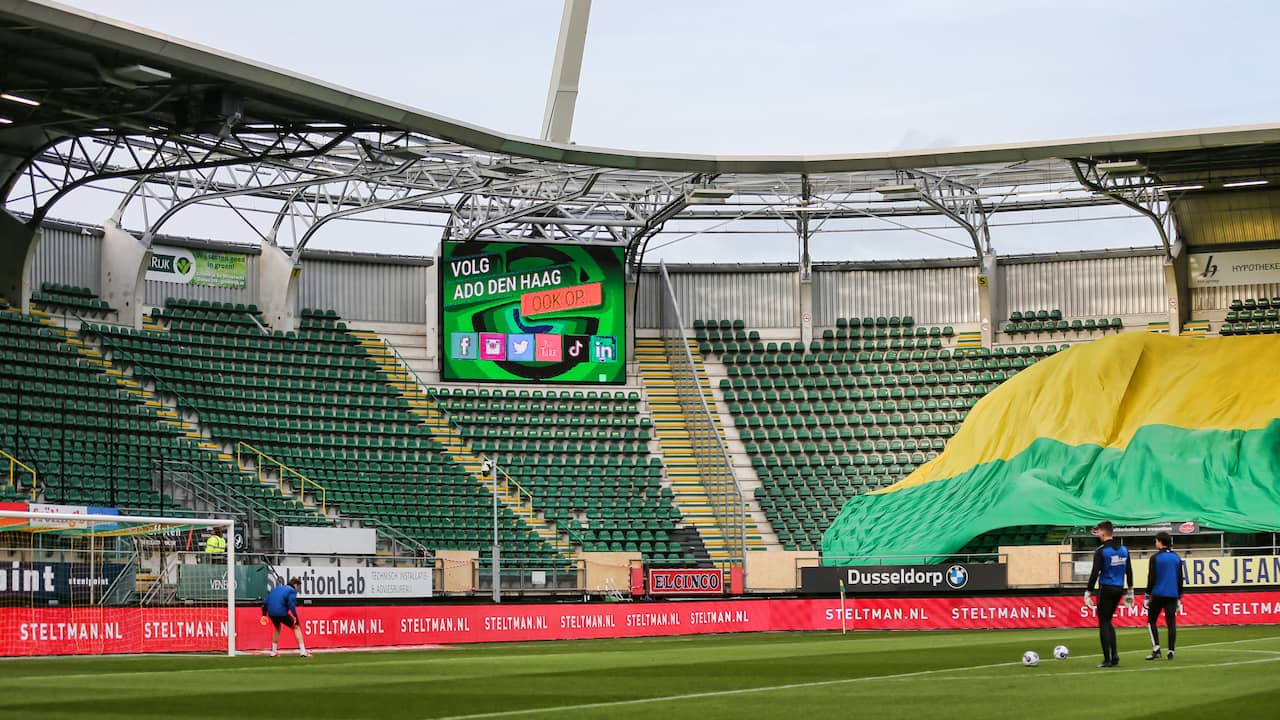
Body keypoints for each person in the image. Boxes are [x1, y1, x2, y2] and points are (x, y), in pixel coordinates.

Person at [1085, 520, 1133, 668]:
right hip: (1119, 589)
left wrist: (1088, 591)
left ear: (1104, 533)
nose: (1098, 533)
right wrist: (1130, 591)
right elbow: (1129, 571)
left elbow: (1095, 573)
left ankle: (1107, 659)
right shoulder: (1124, 549)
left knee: (1104, 623)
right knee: (1108, 621)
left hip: (1106, 588)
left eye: (1099, 531)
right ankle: (1115, 656)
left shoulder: (1101, 551)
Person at [1144, 531, 1184, 661]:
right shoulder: (1177, 558)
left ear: (1160, 542)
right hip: (1172, 595)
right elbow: (1180, 579)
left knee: (1151, 621)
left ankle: (1156, 648)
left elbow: (1151, 578)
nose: (1155, 543)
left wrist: (1146, 595)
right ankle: (1171, 650)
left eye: (1156, 541)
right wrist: (1179, 596)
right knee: (1171, 623)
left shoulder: (1155, 558)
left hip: (1158, 594)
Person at [262, 577, 309, 657]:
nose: (298, 589)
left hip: (271, 613)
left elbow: (265, 602)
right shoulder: (291, 591)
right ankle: (303, 651)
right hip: (281, 612)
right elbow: (291, 605)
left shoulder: (276, 589)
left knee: (277, 628)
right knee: (296, 627)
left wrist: (264, 614)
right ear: (295, 585)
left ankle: (273, 651)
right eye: (298, 587)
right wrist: (295, 617)